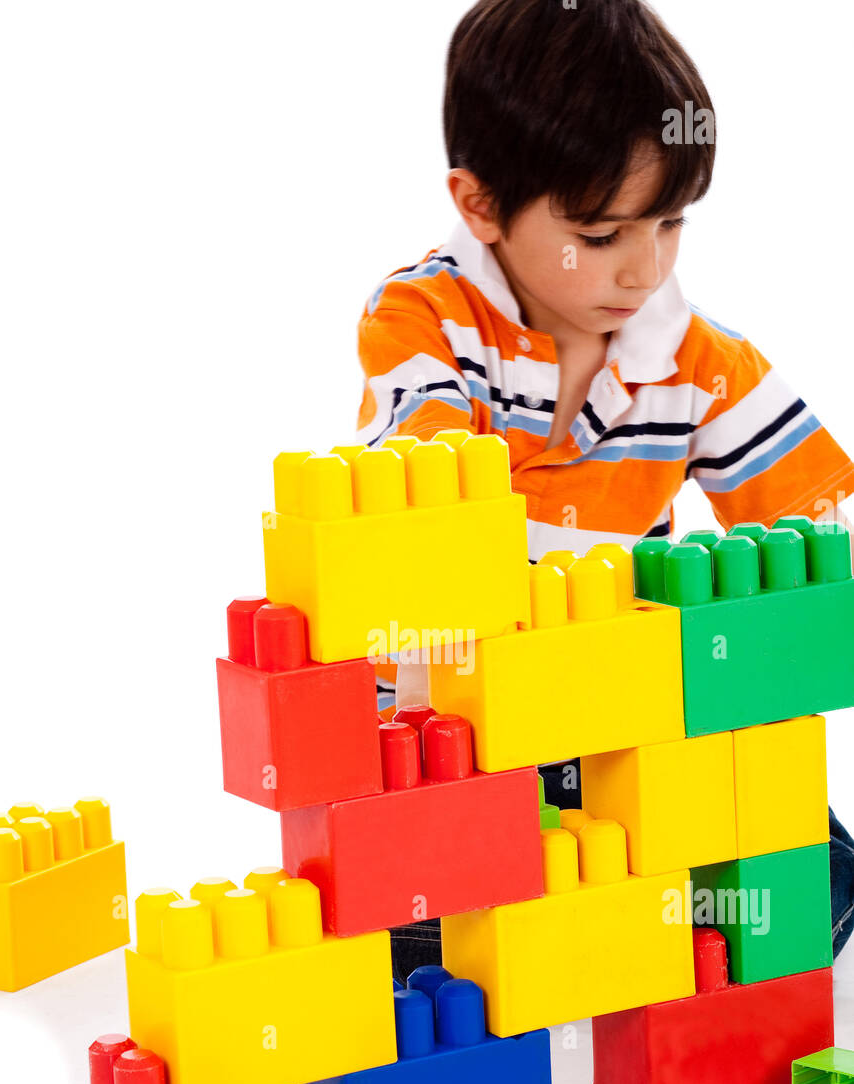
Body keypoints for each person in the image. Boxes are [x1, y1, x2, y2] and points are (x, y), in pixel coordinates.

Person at [354, 0, 854, 978]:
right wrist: (655, 584)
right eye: (600, 232)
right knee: (425, 915)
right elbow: (442, 521)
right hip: (450, 715)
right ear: (481, 204)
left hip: (609, 712)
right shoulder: (422, 322)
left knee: (816, 860)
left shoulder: (689, 355)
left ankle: (634, 925)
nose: (644, 267)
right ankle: (517, 926)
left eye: (667, 223)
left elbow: (818, 512)